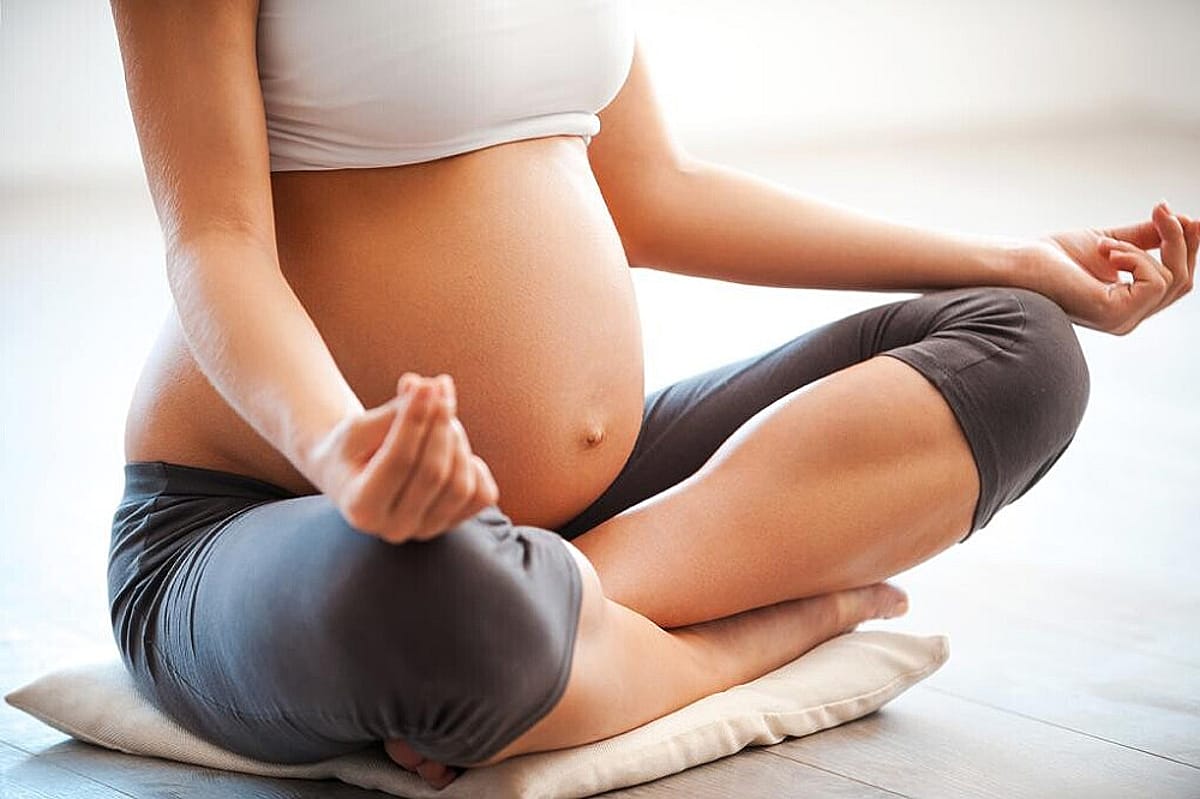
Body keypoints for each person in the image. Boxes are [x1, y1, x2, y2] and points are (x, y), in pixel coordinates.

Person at [105, 0, 1196, 790]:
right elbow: (215, 243)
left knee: (1023, 350)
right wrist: (342, 449)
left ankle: (556, 610)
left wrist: (1011, 259)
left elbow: (655, 192)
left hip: (580, 500)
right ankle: (727, 641)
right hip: (274, 514)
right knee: (437, 600)